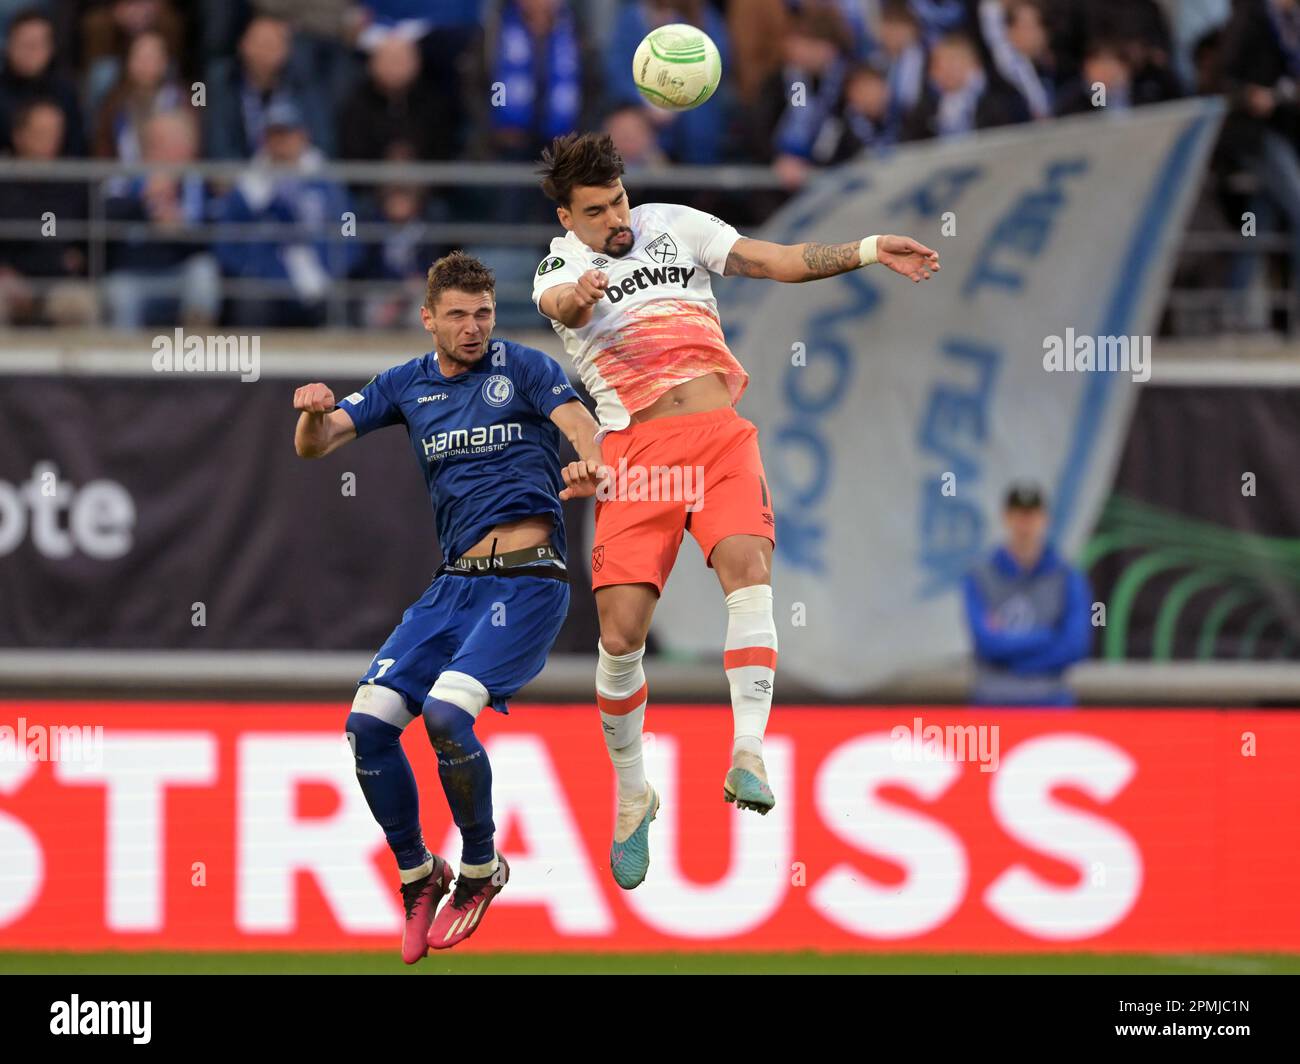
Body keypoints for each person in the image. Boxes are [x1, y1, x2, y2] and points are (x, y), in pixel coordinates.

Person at [532, 131, 940, 889]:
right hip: (638, 457)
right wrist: (579, 294)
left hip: (721, 439)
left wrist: (871, 246)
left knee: (748, 574)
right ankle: (633, 794)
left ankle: (747, 752)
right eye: (597, 210)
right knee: (621, 638)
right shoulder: (561, 270)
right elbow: (559, 301)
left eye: (619, 197)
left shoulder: (674, 226)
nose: (616, 217)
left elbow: (775, 260)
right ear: (567, 217)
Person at [292, 251, 604, 959]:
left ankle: (482, 863)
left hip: (527, 582)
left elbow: (582, 425)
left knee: (443, 715)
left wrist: (591, 459)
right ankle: (417, 873)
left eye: (484, 313)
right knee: (367, 725)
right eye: (458, 315)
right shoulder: (406, 384)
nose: (473, 328)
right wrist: (312, 415)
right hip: (453, 586)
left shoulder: (523, 367)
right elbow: (316, 446)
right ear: (428, 317)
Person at [962, 483, 1093, 707]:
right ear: (1006, 518)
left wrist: (1014, 659)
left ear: (1045, 519)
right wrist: (1046, 636)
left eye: (1031, 516)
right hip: (993, 701)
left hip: (1050, 699)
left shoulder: (1068, 577)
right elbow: (986, 644)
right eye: (1018, 516)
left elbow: (1075, 645)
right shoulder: (979, 575)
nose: (1025, 525)